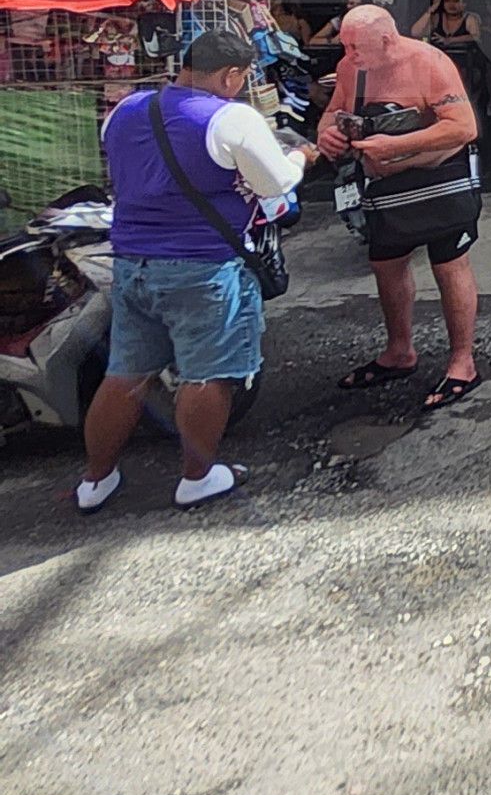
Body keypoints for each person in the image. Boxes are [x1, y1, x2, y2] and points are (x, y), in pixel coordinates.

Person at [78, 27, 317, 513]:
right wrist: (300, 156)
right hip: (202, 266)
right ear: (231, 75)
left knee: (126, 372)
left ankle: (95, 481)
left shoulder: (125, 110)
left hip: (131, 264)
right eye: (244, 77)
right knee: (209, 373)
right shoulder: (231, 118)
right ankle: (197, 477)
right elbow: (275, 184)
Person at [320, 5, 483, 408]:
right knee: (386, 265)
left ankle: (463, 362)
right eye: (346, 45)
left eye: (357, 46)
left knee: (449, 265)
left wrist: (398, 145)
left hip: (438, 177)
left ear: (388, 41)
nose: (350, 53)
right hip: (385, 186)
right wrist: (327, 136)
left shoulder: (429, 62)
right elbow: (331, 113)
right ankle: (399, 351)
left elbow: (464, 127)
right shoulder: (349, 69)